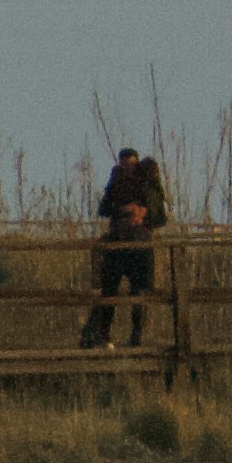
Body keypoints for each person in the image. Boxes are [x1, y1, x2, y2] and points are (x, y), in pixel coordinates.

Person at [83, 147, 173, 350]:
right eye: (124, 164)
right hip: (117, 243)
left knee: (139, 291)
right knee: (109, 290)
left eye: (131, 164)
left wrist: (143, 214)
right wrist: (123, 210)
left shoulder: (148, 183)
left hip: (140, 245)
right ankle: (103, 335)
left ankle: (136, 337)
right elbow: (104, 209)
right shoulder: (116, 182)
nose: (128, 168)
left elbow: (160, 218)